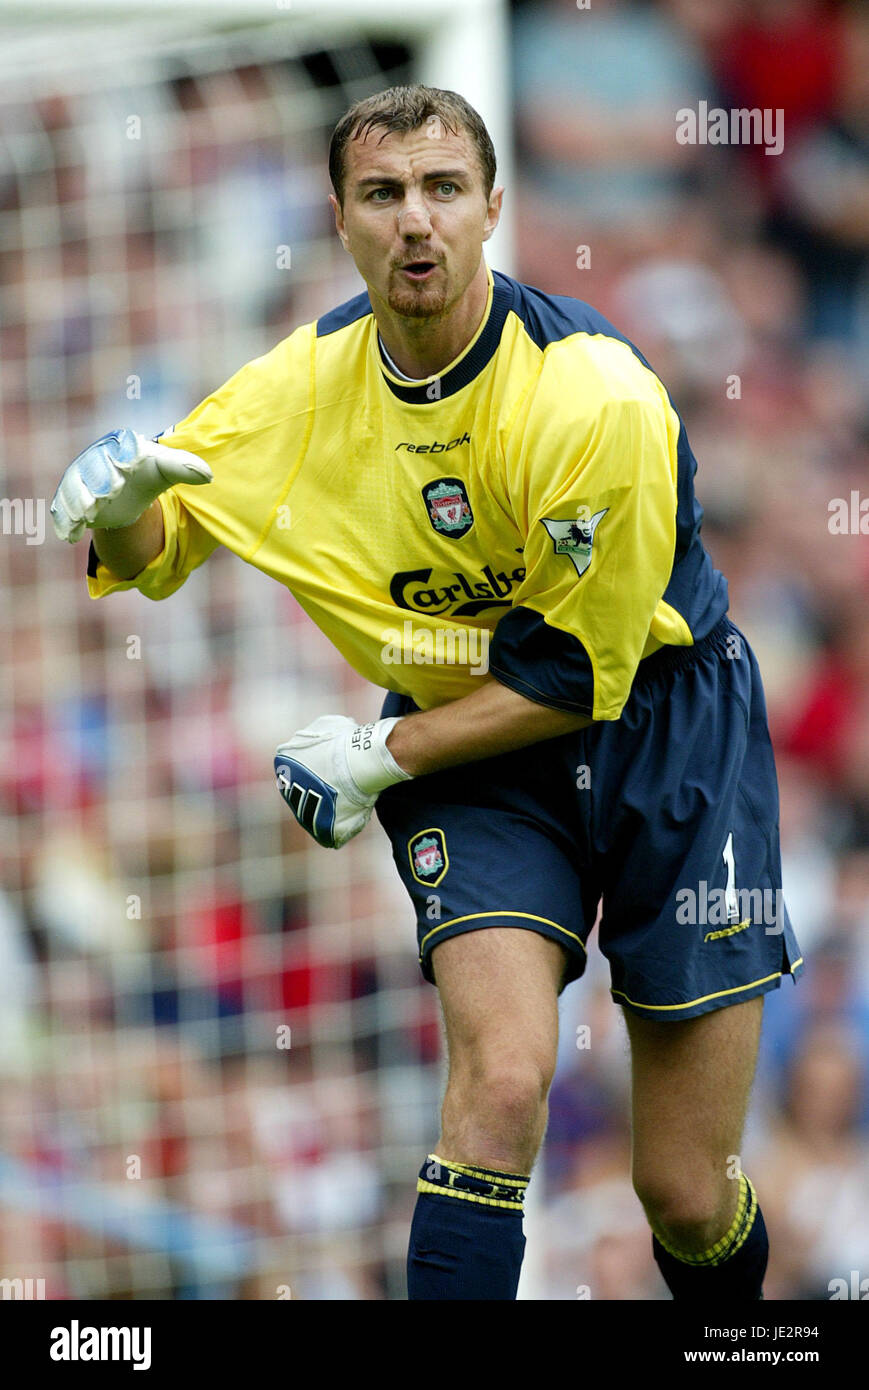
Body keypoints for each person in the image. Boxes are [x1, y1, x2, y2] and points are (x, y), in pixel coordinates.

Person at [51, 84, 803, 1302]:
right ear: (338, 219)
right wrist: (126, 518)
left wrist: (375, 759)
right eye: (384, 193)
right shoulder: (297, 388)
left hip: (665, 725)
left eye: (444, 189)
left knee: (682, 1187)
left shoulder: (592, 398)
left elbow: (577, 674)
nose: (416, 223)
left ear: (493, 208)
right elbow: (151, 552)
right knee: (500, 1087)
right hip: (477, 757)